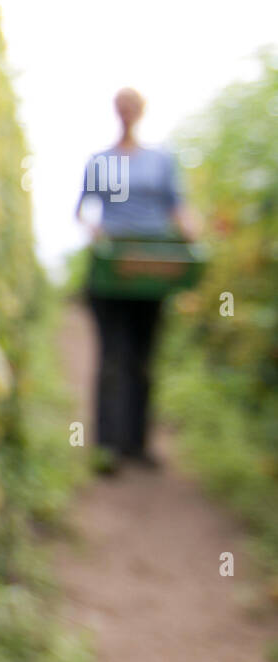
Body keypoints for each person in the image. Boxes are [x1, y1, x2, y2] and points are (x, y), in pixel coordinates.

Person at [75, 88, 196, 472]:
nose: (127, 112)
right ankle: (108, 446)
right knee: (113, 357)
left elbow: (177, 206)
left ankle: (137, 444)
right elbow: (82, 211)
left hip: (152, 267)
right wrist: (96, 231)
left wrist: (192, 231)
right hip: (114, 269)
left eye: (133, 106)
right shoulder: (100, 161)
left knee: (143, 359)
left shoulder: (161, 161)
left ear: (141, 112)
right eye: (121, 106)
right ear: (116, 111)